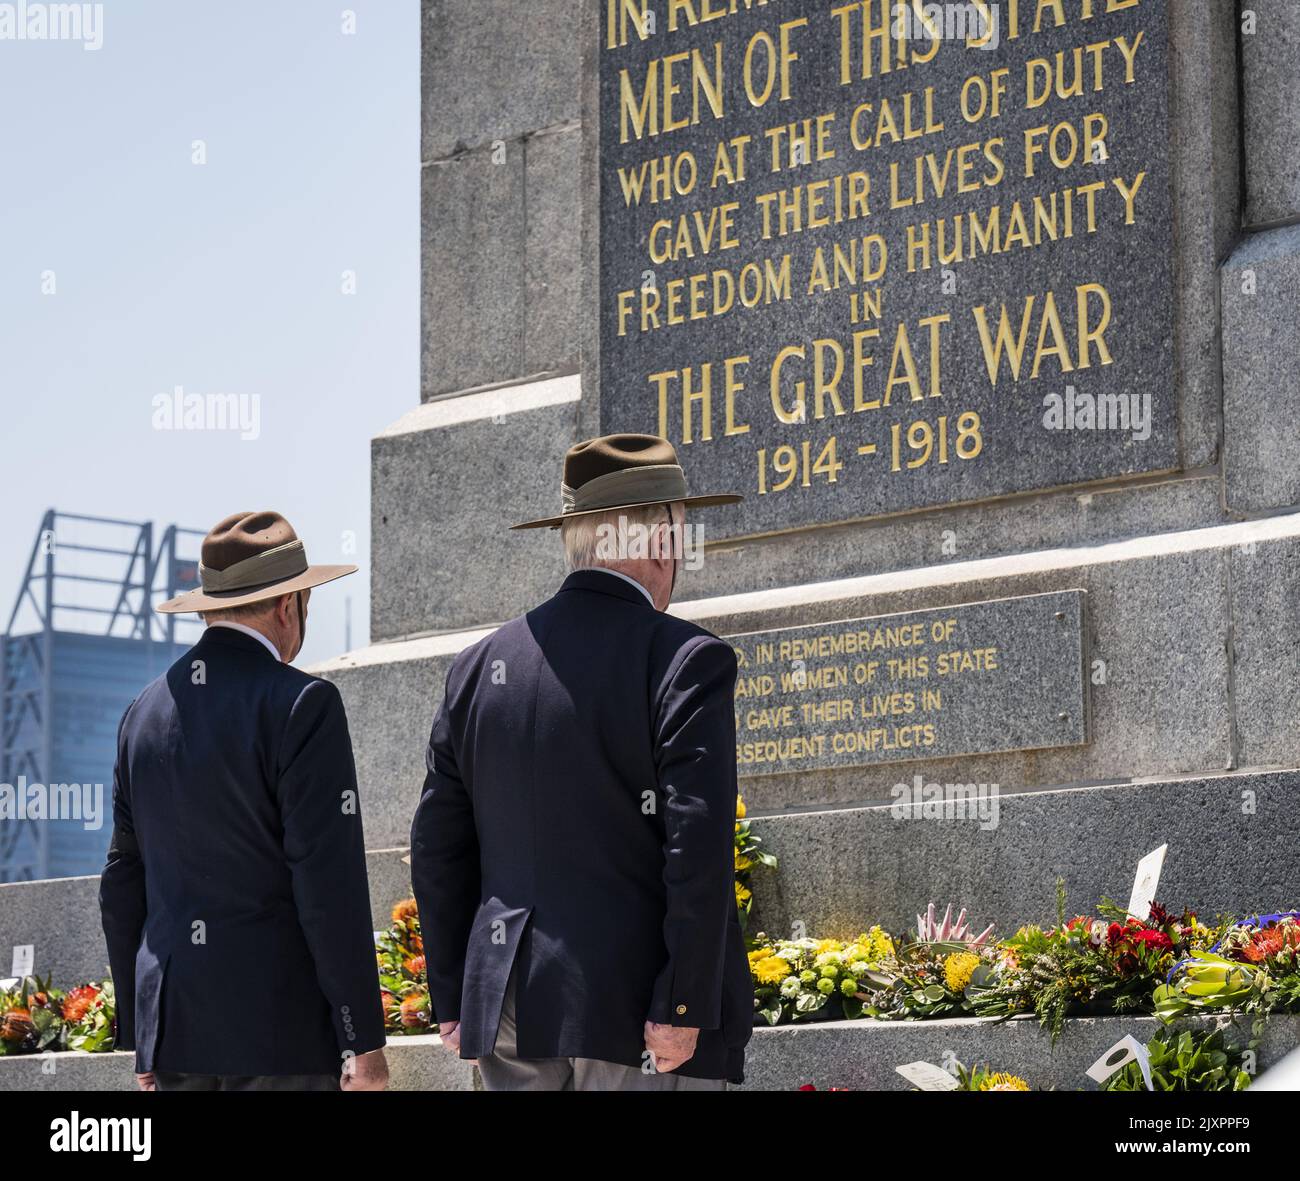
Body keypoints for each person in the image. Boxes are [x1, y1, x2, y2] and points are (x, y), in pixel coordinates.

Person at [411, 433, 752, 1090]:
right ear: (658, 542)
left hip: (509, 1008)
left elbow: (435, 845)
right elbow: (697, 843)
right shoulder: (686, 660)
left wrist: (455, 995)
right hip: (637, 1012)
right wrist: (681, 1004)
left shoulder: (478, 668)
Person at [99, 510, 388, 1092]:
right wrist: (361, 1038)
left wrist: (141, 1035)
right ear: (289, 606)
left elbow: (122, 881)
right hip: (280, 1033)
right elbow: (327, 885)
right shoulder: (304, 704)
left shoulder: (141, 716)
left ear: (208, 608)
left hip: (176, 1031)